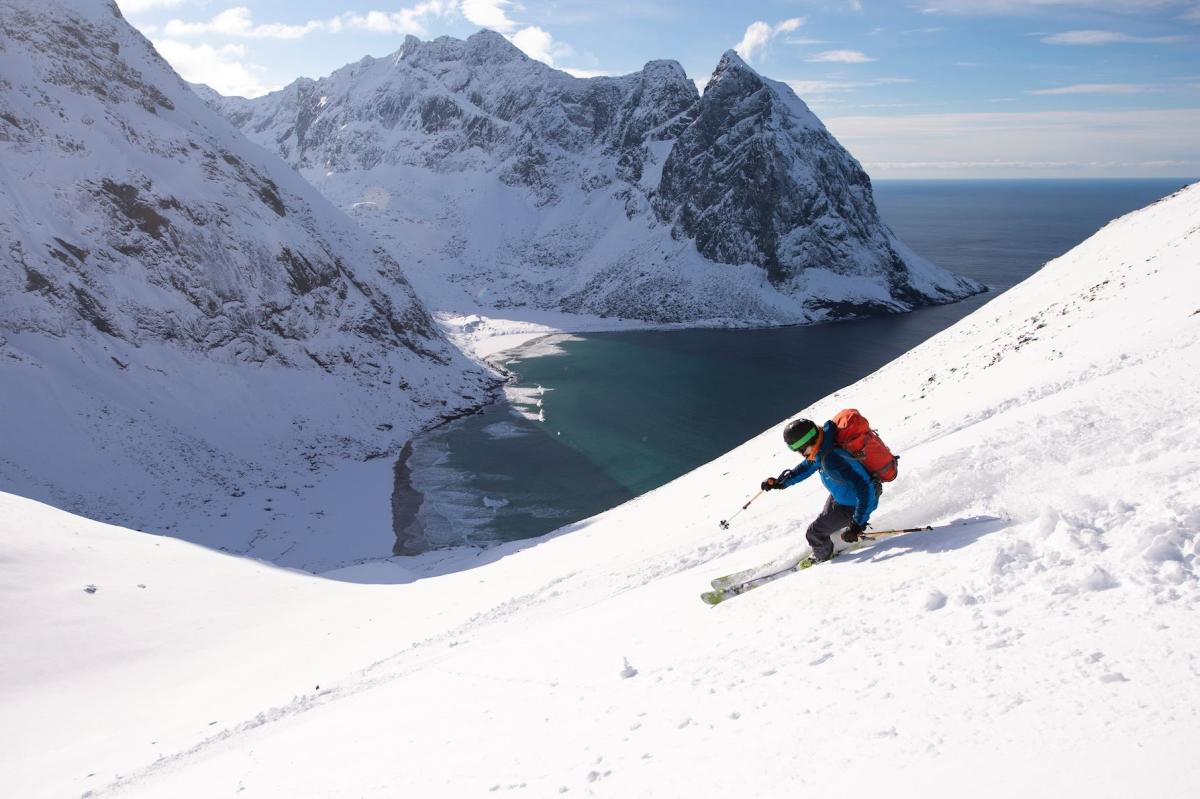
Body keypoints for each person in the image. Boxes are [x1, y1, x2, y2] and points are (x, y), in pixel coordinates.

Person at [760, 417, 880, 564]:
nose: (800, 453)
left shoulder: (830, 460)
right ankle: (837, 533)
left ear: (809, 443)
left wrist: (857, 524)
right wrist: (781, 483)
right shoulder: (824, 442)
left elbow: (865, 489)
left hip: (853, 504)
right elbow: (807, 466)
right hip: (843, 495)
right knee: (825, 521)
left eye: (801, 450)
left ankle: (823, 557)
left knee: (814, 533)